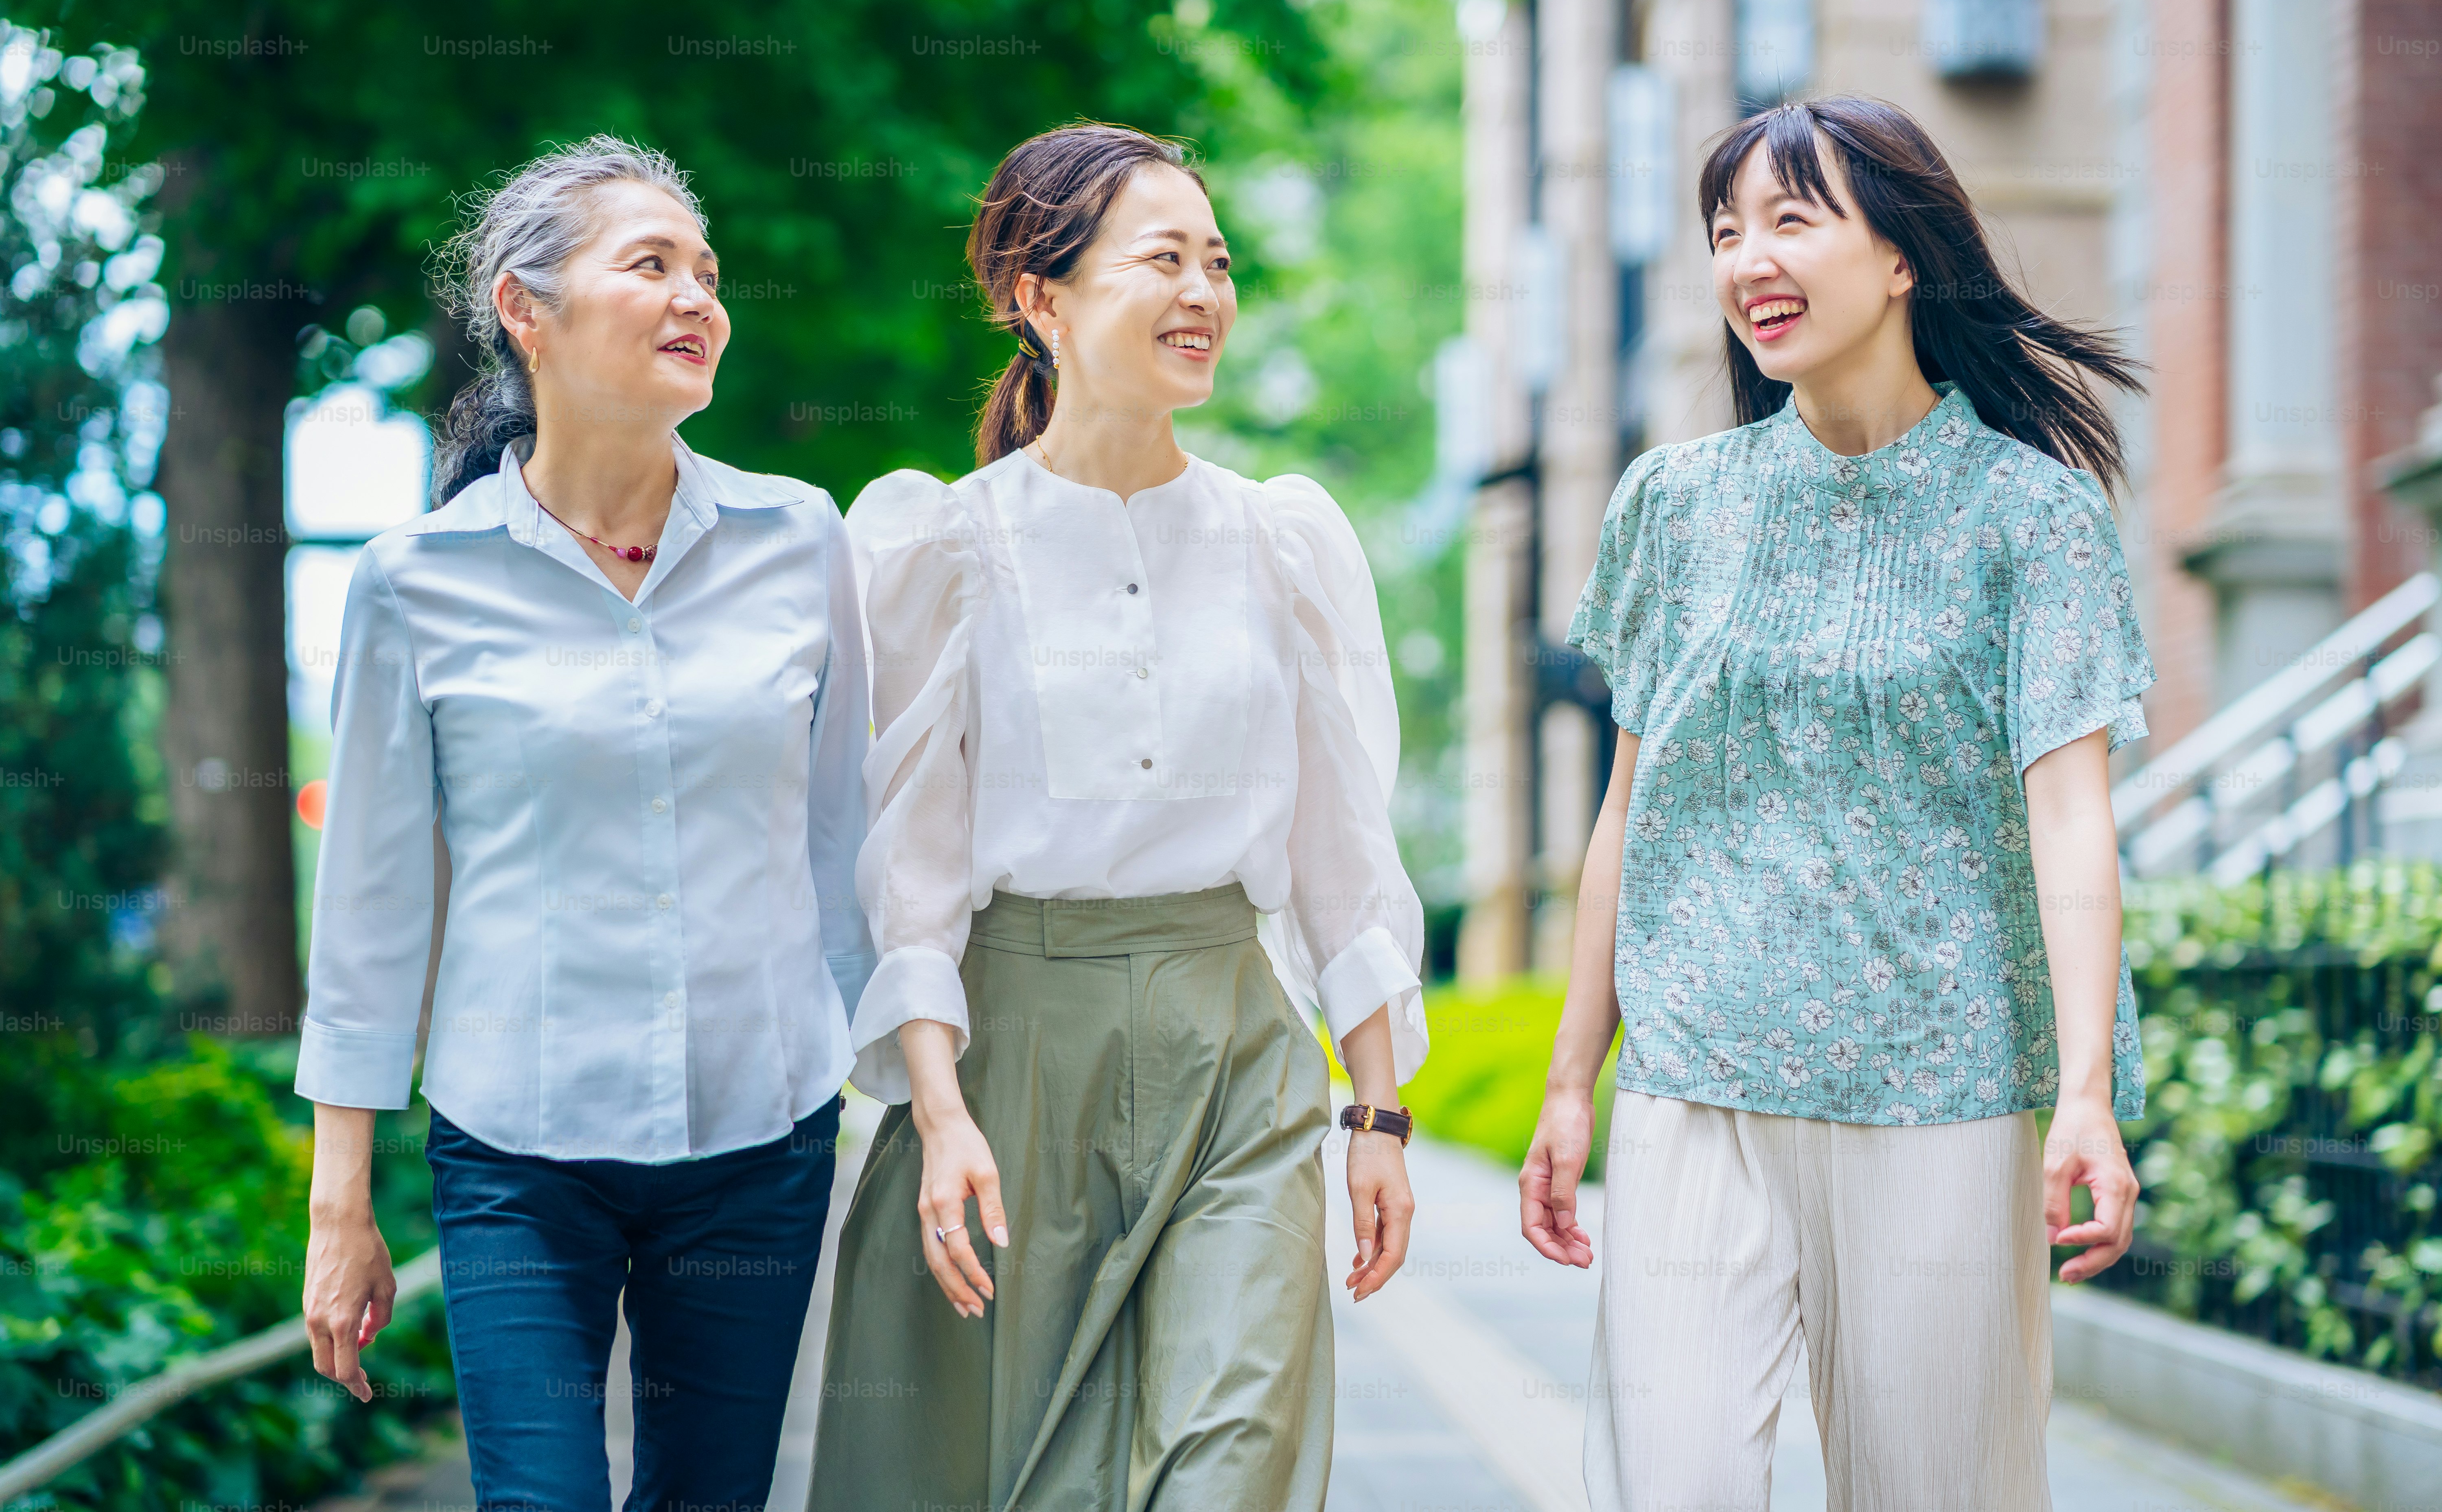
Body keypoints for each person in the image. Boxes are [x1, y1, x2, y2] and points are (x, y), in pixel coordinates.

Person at [1521, 96, 2155, 1511]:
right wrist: (1572, 1084)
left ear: (1903, 258)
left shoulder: (2031, 518)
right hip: (1697, 1082)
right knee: (1663, 1485)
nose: (1750, 257)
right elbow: (1630, 810)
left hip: (1949, 1090)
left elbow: (2071, 824)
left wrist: (2088, 1096)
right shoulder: (1671, 506)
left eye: (1793, 219)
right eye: (1727, 229)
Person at [808, 121, 1430, 1512]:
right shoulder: (943, 548)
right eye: (1165, 260)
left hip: (1241, 1058)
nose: (1204, 293)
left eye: (1218, 262)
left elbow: (1341, 849)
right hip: (1018, 1053)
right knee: (1028, 1478)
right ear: (1042, 298)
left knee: (1233, 1462)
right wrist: (941, 1105)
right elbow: (913, 864)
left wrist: (1378, 1114)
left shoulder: (1282, 543)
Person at [295, 135, 872, 1512]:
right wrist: (341, 1201)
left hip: (760, 1133)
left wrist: (918, 1101)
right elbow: (374, 902)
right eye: (652, 265)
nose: (699, 299)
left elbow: (847, 848)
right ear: (525, 310)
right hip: (515, 1156)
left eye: (709, 273)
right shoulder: (415, 582)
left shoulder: (802, 539)